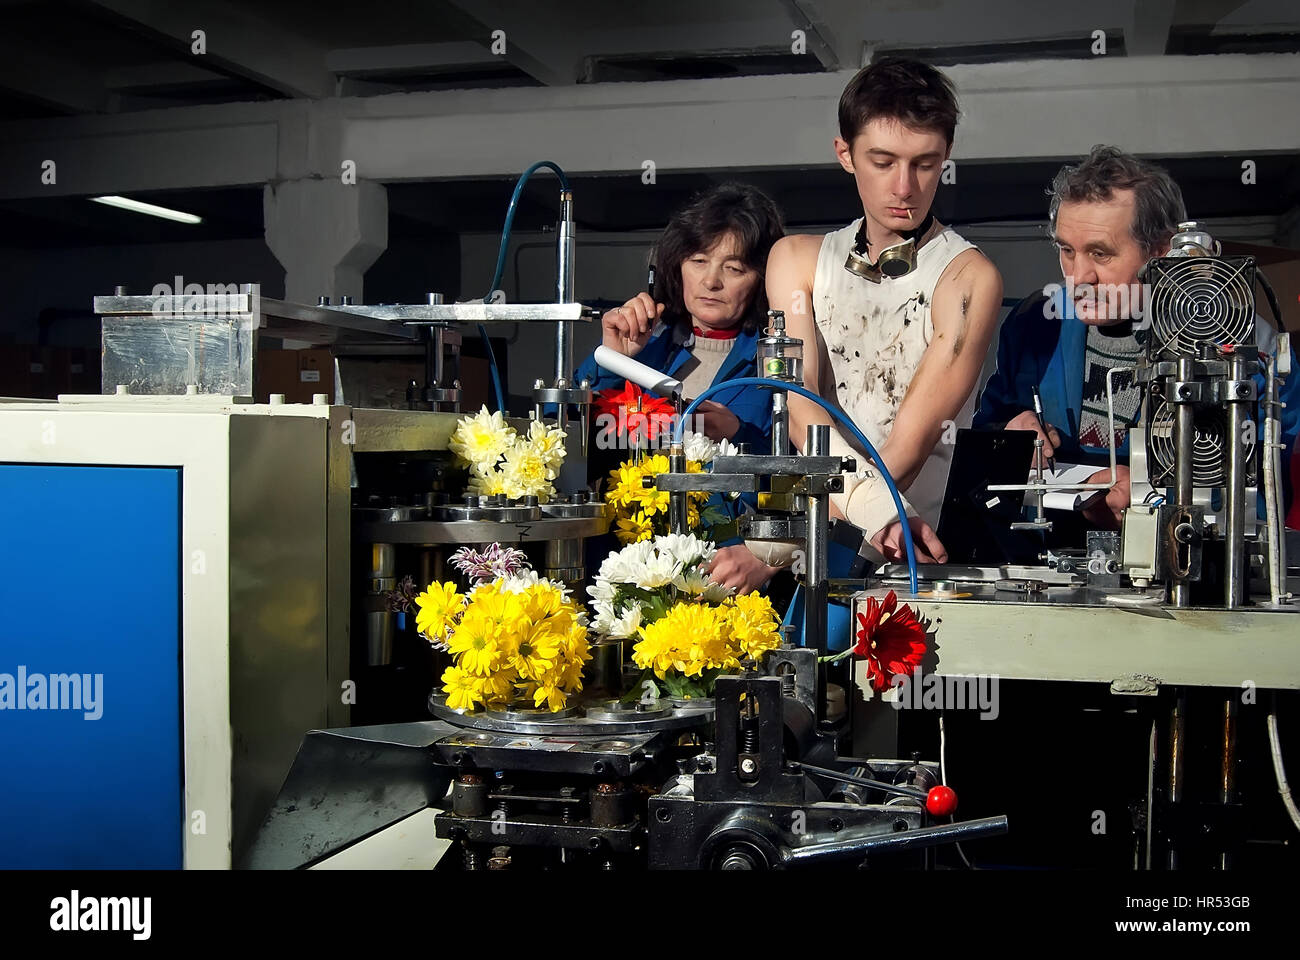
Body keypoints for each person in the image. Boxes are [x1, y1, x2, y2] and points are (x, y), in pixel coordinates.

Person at [974, 145, 1300, 529]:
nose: (1078, 277)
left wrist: (1151, 499)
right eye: (1066, 250)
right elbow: (982, 440)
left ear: (1160, 251)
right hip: (1049, 561)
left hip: (1178, 566)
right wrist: (1007, 437)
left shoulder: (1242, 345)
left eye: (1100, 254)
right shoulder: (1034, 324)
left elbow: (1271, 488)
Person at [764, 57, 1004, 564]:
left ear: (947, 156)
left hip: (911, 548)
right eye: (883, 161)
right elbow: (798, 409)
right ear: (845, 154)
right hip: (821, 529)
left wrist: (774, 551)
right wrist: (789, 545)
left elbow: (908, 448)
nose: (904, 188)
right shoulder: (796, 261)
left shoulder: (967, 278)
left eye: (924, 163)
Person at [573, 181, 786, 592]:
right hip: (625, 576)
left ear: (763, 280)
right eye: (699, 260)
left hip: (721, 581)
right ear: (674, 266)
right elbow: (567, 449)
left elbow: (811, 483)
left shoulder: (781, 360)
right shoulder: (640, 344)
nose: (711, 282)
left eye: (734, 267)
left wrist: (740, 436)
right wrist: (615, 360)